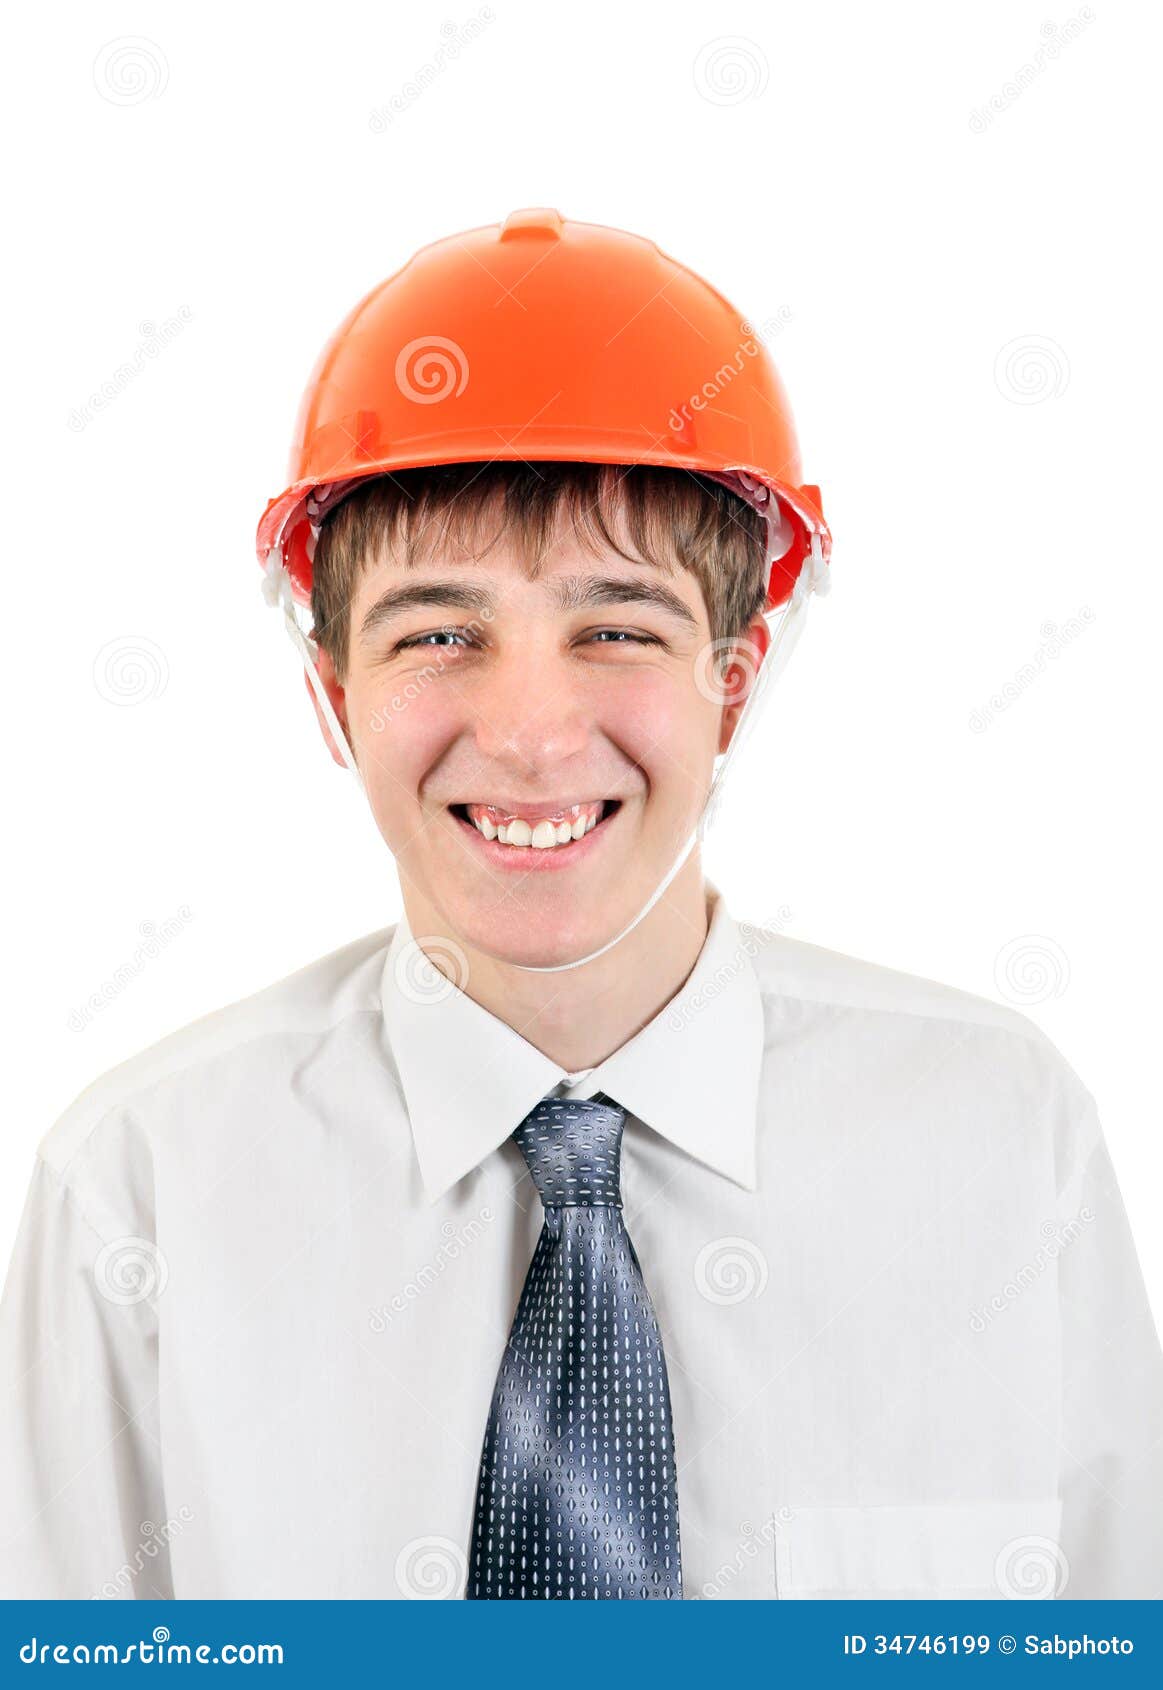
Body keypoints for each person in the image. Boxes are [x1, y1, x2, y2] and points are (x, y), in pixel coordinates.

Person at [1, 209, 1160, 1601]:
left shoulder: (1004, 1136)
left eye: (618, 628)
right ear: (334, 697)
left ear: (733, 685)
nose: (532, 733)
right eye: (440, 633)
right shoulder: (139, 1189)